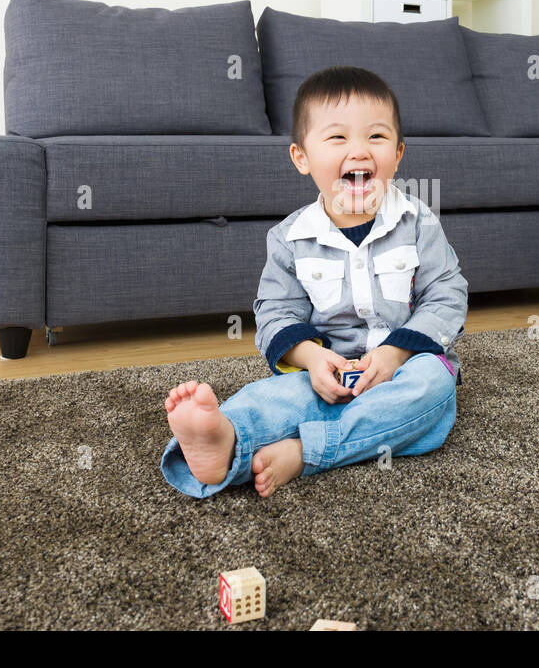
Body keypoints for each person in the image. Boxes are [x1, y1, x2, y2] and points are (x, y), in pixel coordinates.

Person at [160, 65, 467, 498]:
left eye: (376, 137)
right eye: (338, 137)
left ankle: (305, 451)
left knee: (433, 394)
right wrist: (310, 359)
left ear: (398, 155)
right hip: (328, 375)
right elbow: (275, 313)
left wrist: (396, 353)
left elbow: (447, 295)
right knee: (275, 396)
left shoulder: (418, 222)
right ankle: (224, 436)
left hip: (406, 370)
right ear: (301, 157)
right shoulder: (289, 238)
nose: (359, 151)